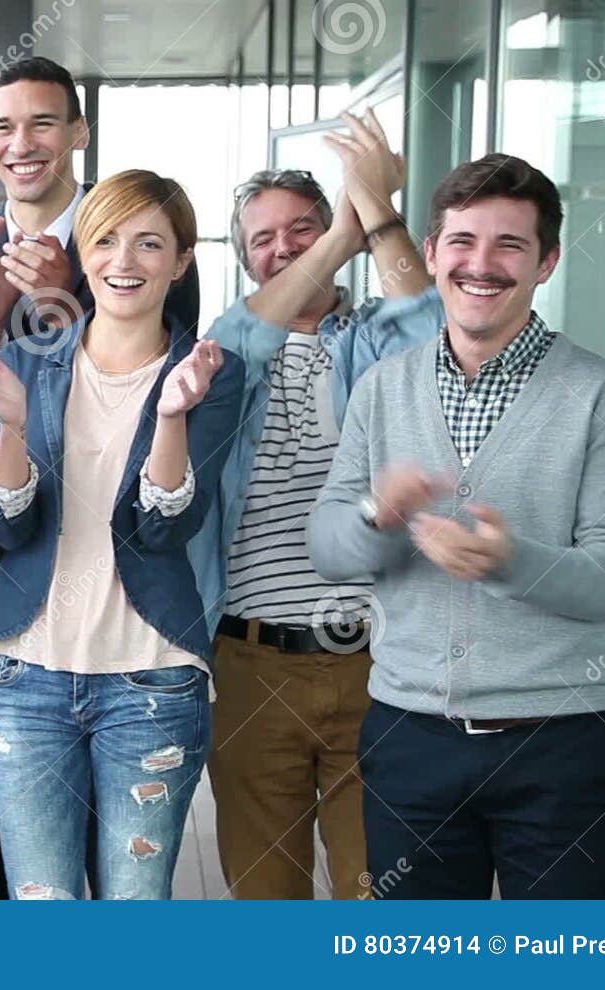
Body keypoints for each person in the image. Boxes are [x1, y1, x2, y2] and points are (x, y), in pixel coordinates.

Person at [308, 154, 605, 899]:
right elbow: (329, 547)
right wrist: (380, 515)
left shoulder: (604, 395)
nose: (482, 264)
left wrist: (508, 560)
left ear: (547, 262)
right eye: (463, 242)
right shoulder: (381, 389)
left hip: (562, 747)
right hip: (411, 741)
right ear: (431, 253)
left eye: (510, 246)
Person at [0, 169, 243, 899]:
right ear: (83, 254)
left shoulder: (210, 372)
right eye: (107, 239)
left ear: (181, 261)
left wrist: (173, 416)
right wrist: (13, 426)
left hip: (152, 677)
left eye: (150, 244)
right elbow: (8, 525)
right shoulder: (25, 364)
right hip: (27, 674)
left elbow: (164, 527)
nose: (124, 261)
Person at [191, 109, 441, 899]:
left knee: (381, 897)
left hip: (381, 661)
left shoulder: (373, 343)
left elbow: (436, 334)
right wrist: (347, 219)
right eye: (264, 239)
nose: (284, 248)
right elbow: (242, 336)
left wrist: (382, 214)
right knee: (267, 901)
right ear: (242, 259)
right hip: (254, 666)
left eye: (304, 229)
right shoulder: (221, 355)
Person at [0, 56, 199, 349]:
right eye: (3, 128)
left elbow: (178, 366)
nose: (21, 146)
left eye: (42, 124)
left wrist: (63, 311)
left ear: (80, 133)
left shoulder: (153, 239)